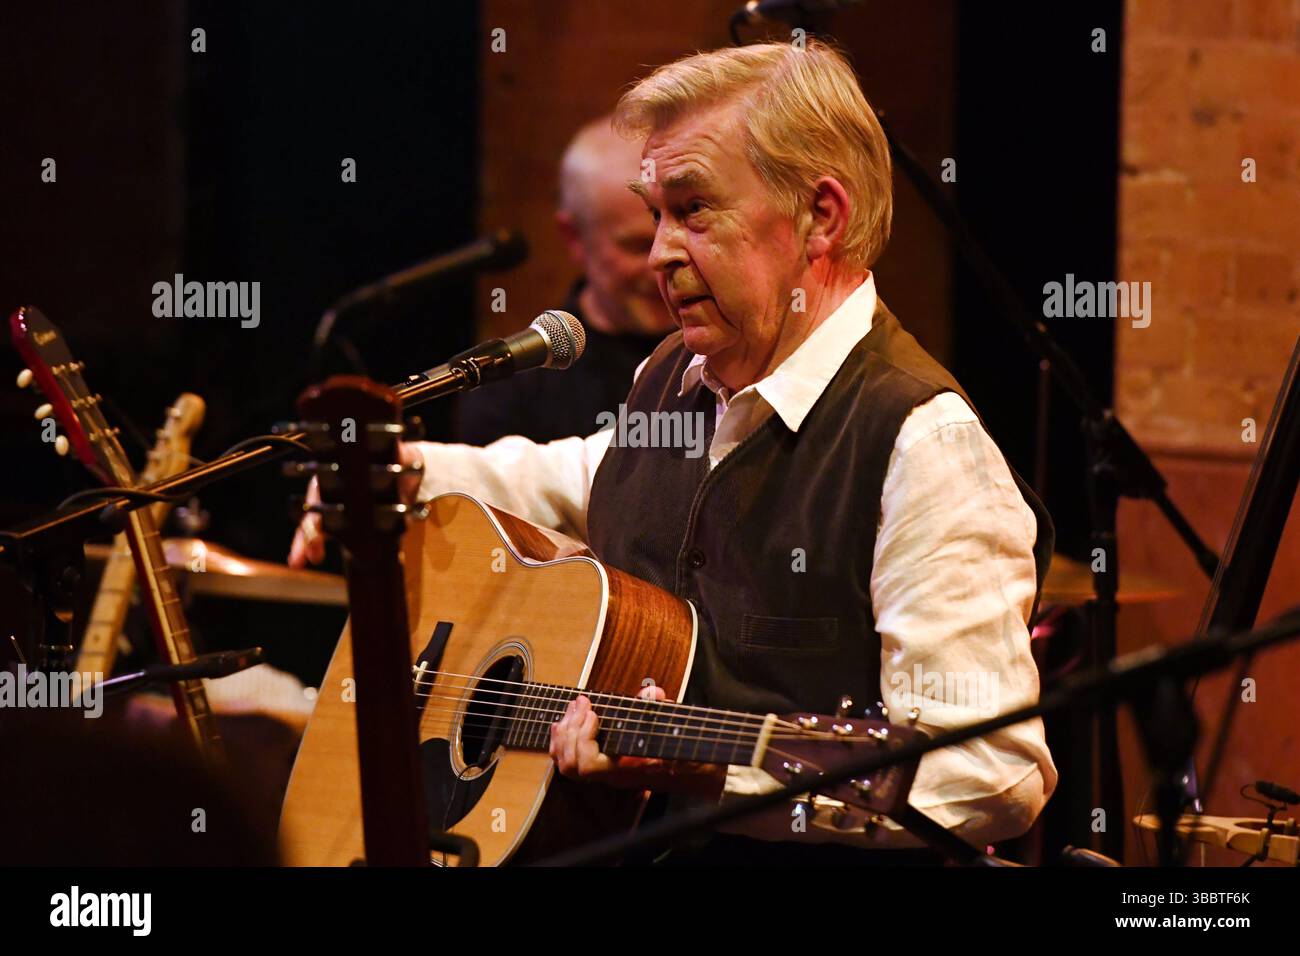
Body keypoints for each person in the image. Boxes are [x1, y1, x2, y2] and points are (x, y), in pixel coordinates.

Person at [291, 40, 1057, 862]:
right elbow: (588, 476)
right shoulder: (679, 375)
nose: (659, 251)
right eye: (654, 213)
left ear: (820, 217)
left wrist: (718, 773)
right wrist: (406, 474)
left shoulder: (920, 441)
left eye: (693, 211)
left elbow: (992, 769)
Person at [454, 116, 675, 445]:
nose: (661, 261)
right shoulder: (513, 392)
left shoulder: (729, 358)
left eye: (676, 232)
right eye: (637, 245)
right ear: (574, 238)